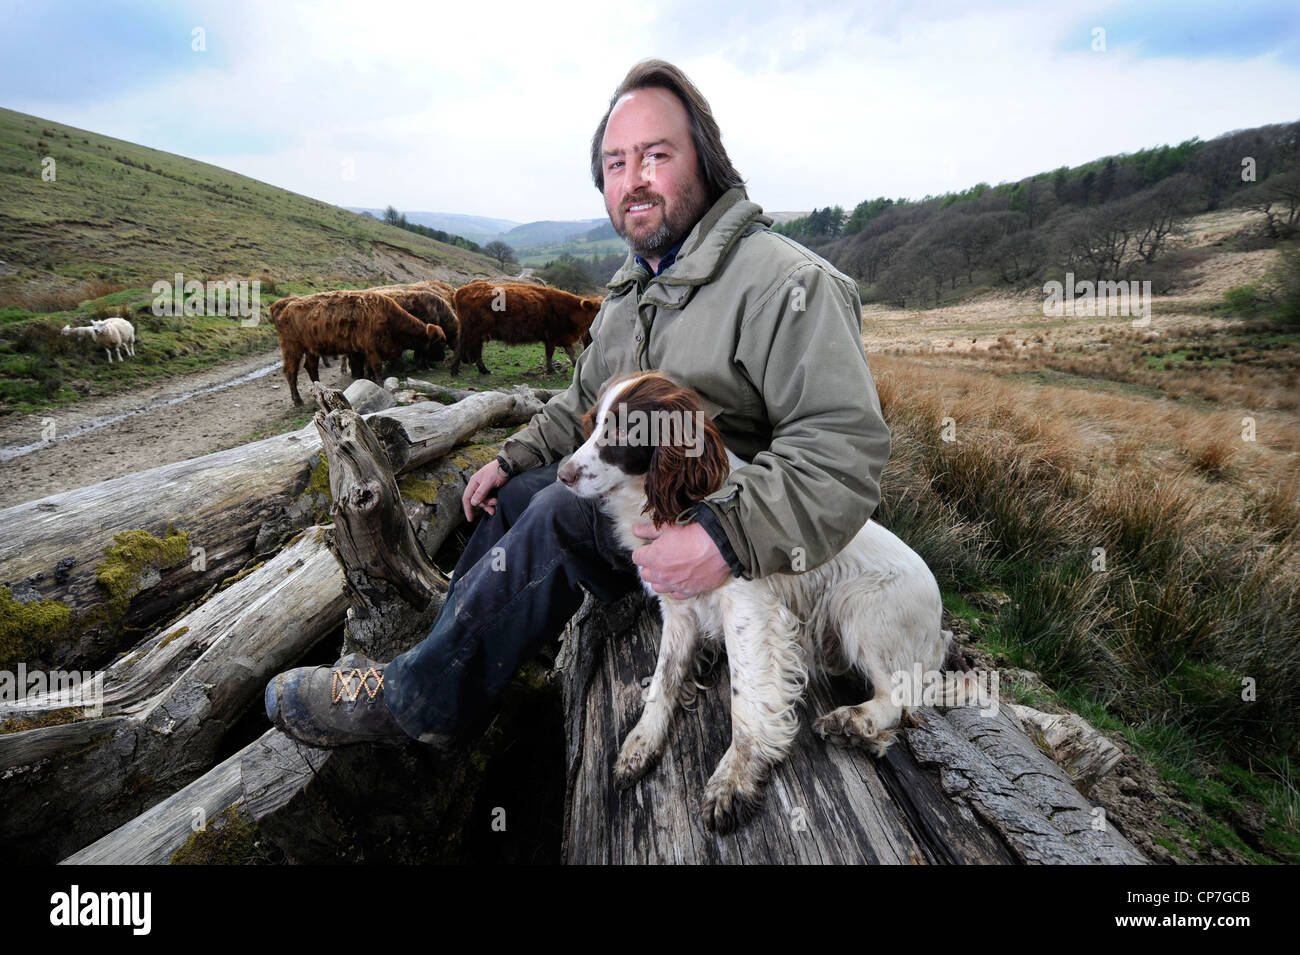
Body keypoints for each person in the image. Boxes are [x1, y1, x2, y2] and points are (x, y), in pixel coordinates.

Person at [264, 58, 892, 747]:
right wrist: (512, 456)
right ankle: (450, 648)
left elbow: (843, 452)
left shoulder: (789, 284)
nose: (634, 179)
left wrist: (724, 536)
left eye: (657, 155)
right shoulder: (632, 286)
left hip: (724, 546)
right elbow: (584, 399)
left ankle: (418, 704)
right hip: (635, 509)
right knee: (512, 497)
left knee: (563, 508)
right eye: (616, 164)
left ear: (707, 161)